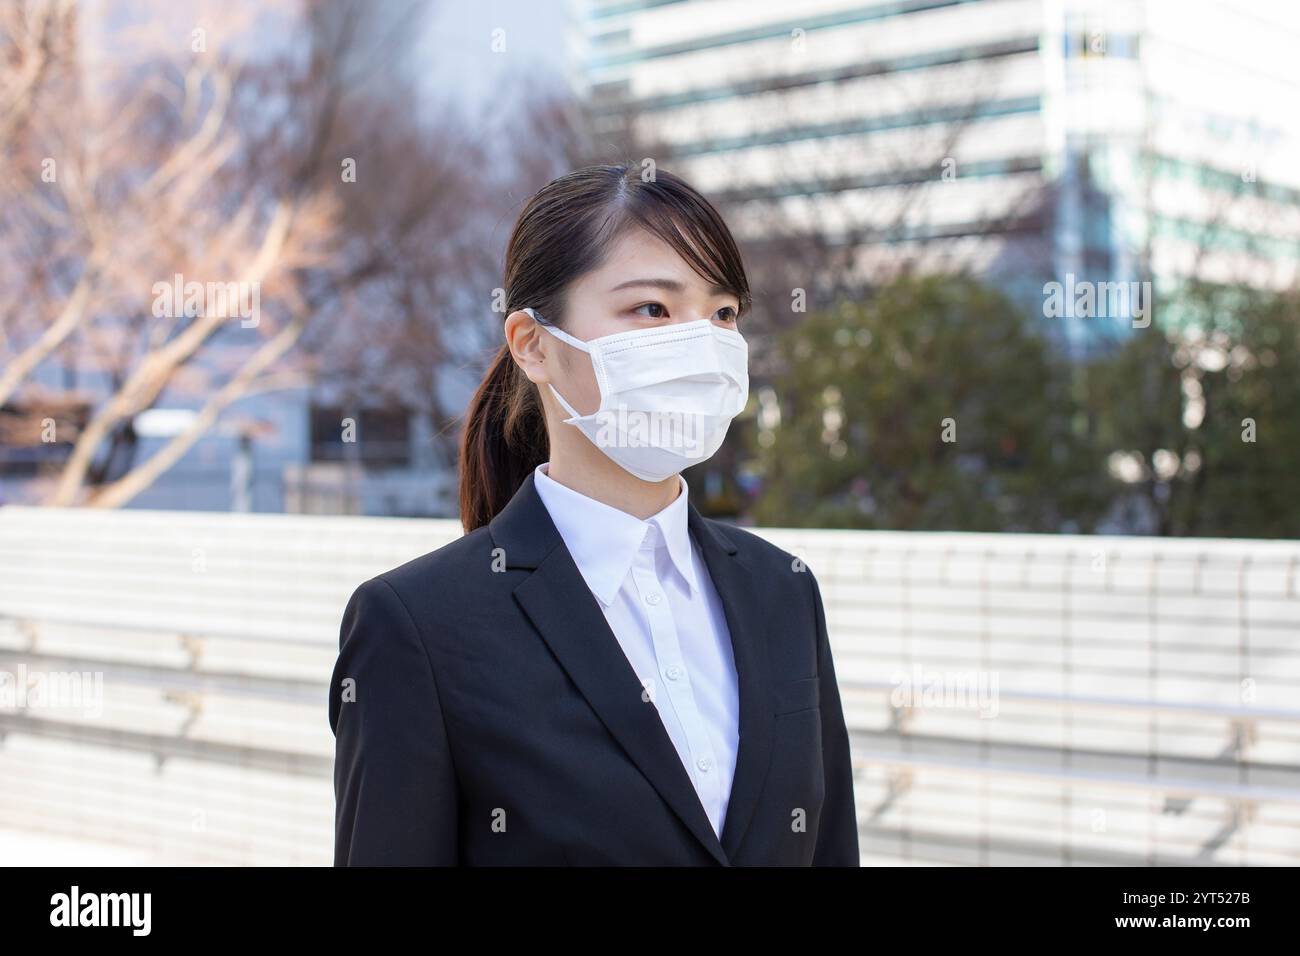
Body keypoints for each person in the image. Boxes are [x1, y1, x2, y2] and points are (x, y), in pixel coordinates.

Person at [328, 162, 858, 866]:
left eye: (723, 313)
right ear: (533, 344)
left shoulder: (783, 590)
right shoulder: (418, 626)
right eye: (652, 309)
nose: (700, 343)